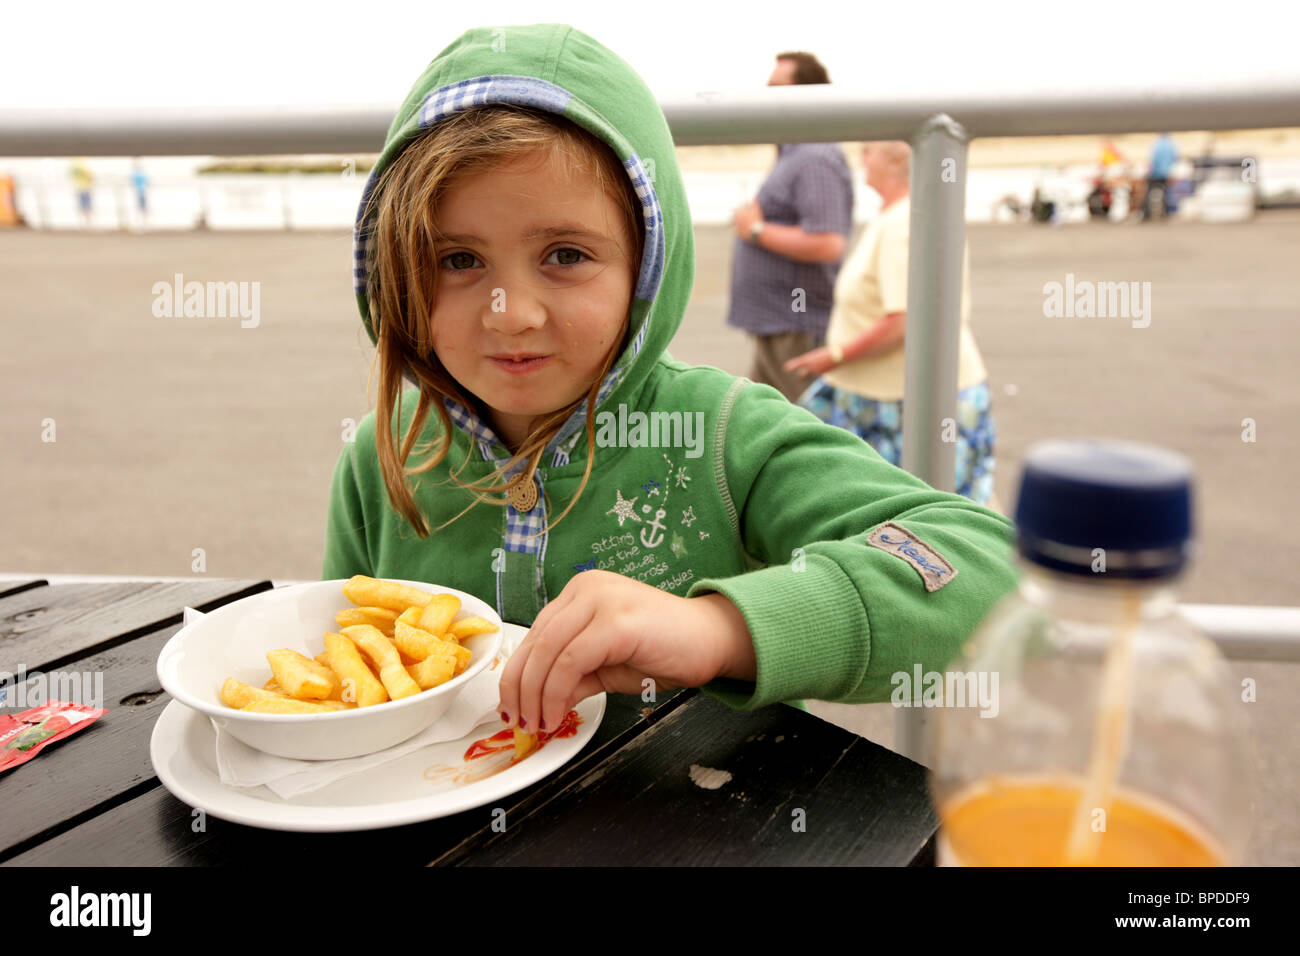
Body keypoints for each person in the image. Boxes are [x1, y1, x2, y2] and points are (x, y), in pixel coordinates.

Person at [321, 24, 1018, 736]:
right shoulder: (380, 460)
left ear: (648, 267)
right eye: (458, 260)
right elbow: (337, 658)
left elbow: (989, 570)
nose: (512, 315)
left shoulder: (724, 436)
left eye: (565, 254)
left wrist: (716, 631)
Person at [784, 141, 996, 506]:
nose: (861, 157)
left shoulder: (905, 222)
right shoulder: (899, 215)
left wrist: (834, 355)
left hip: (903, 402)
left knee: (930, 520)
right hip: (881, 394)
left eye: (870, 150)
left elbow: (905, 320)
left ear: (897, 162)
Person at [724, 52, 854, 402]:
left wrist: (756, 231)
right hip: (778, 325)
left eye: (777, 88)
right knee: (763, 428)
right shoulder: (795, 153)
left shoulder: (814, 156)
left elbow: (828, 242)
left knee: (808, 435)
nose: (767, 96)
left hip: (798, 327)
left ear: (809, 94)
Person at [1141, 133, 1178, 221]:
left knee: (1148, 192)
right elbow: (1175, 159)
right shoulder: (1171, 144)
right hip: (1167, 174)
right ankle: (1165, 213)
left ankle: (1146, 213)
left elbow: (1154, 160)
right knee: (1166, 193)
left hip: (1156, 174)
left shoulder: (1157, 144)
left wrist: (1149, 173)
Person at [70, 159, 93, 228]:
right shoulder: (84, 167)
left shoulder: (74, 167)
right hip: (86, 189)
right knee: (87, 207)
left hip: (79, 189)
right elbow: (91, 178)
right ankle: (87, 224)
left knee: (81, 207)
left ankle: (81, 224)